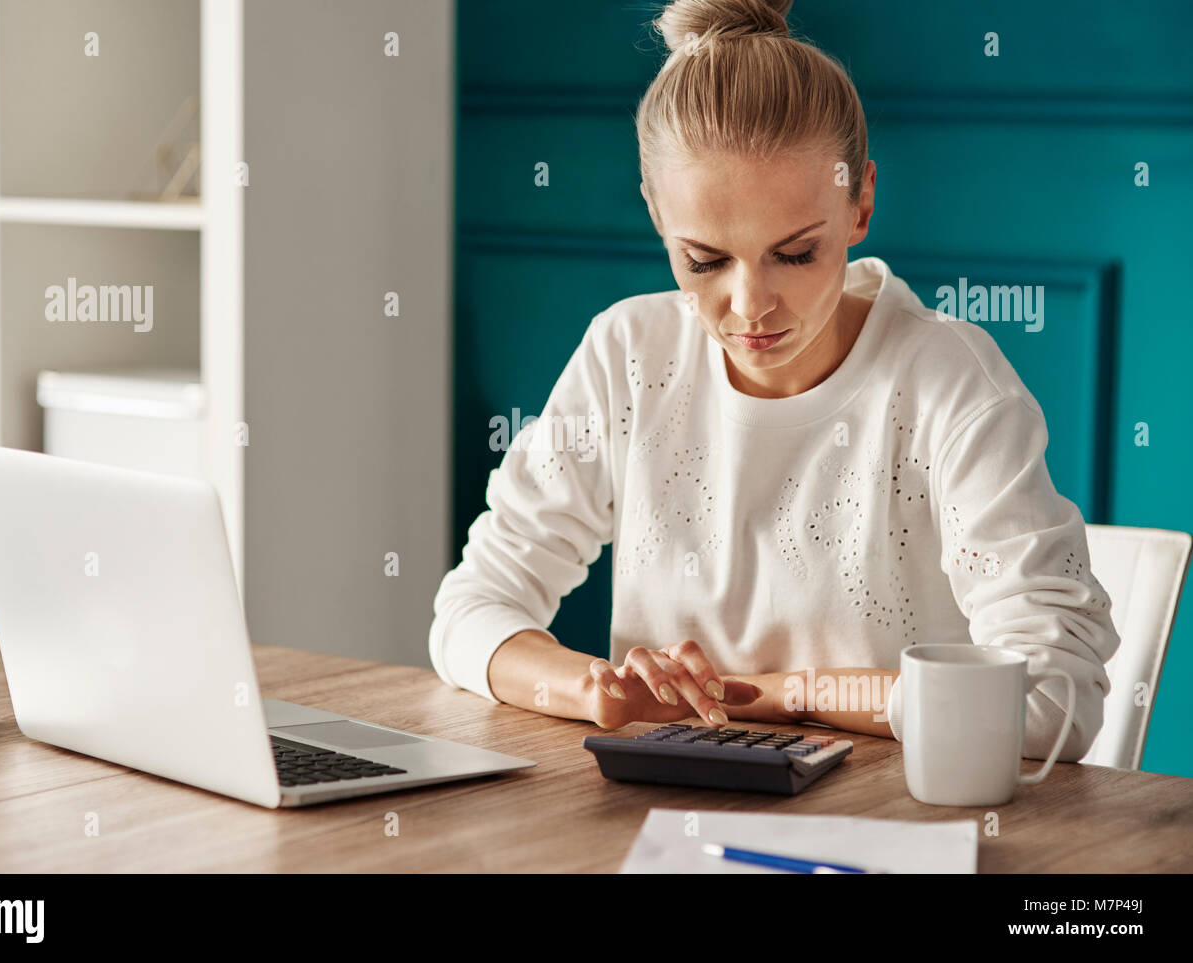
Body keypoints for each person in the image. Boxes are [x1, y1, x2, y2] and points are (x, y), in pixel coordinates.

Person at [428, 0, 1119, 760]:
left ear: (860, 202)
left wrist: (784, 693)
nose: (751, 306)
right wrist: (597, 689)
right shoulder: (628, 352)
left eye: (795, 254)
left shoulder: (949, 383)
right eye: (705, 261)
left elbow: (1054, 702)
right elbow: (472, 607)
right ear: (657, 215)